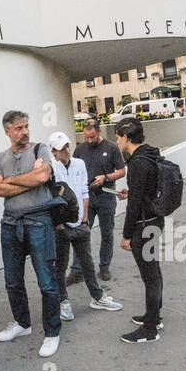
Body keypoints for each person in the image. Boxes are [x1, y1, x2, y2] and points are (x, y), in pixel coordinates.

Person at [0, 111, 63, 358]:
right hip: (10, 223)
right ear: (7, 131)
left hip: (39, 221)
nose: (25, 132)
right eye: (19, 128)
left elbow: (42, 176)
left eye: (26, 127)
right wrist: (28, 179)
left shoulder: (41, 150)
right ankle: (22, 323)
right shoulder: (0, 157)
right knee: (12, 280)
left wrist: (11, 182)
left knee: (46, 280)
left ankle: (52, 332)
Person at [48, 132, 123, 318]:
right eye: (60, 148)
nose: (65, 150)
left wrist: (85, 219)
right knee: (61, 265)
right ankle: (62, 301)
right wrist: (58, 224)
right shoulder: (51, 170)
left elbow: (84, 192)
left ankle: (97, 297)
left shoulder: (79, 164)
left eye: (66, 146)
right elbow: (50, 198)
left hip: (80, 222)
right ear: (53, 152)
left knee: (87, 263)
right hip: (61, 226)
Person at [115, 117, 164, 343]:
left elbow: (134, 206)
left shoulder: (136, 163)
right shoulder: (150, 154)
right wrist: (132, 191)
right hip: (154, 220)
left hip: (143, 227)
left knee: (150, 276)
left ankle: (150, 329)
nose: (117, 142)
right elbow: (146, 191)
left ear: (126, 137)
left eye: (117, 137)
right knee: (153, 271)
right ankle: (154, 315)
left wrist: (126, 236)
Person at [71, 117, 126, 282]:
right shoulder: (80, 149)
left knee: (107, 233)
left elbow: (122, 171)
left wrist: (105, 177)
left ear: (99, 132)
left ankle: (104, 267)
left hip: (106, 196)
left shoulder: (112, 148)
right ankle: (77, 271)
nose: (89, 140)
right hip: (86, 197)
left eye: (92, 137)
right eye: (86, 137)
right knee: (80, 233)